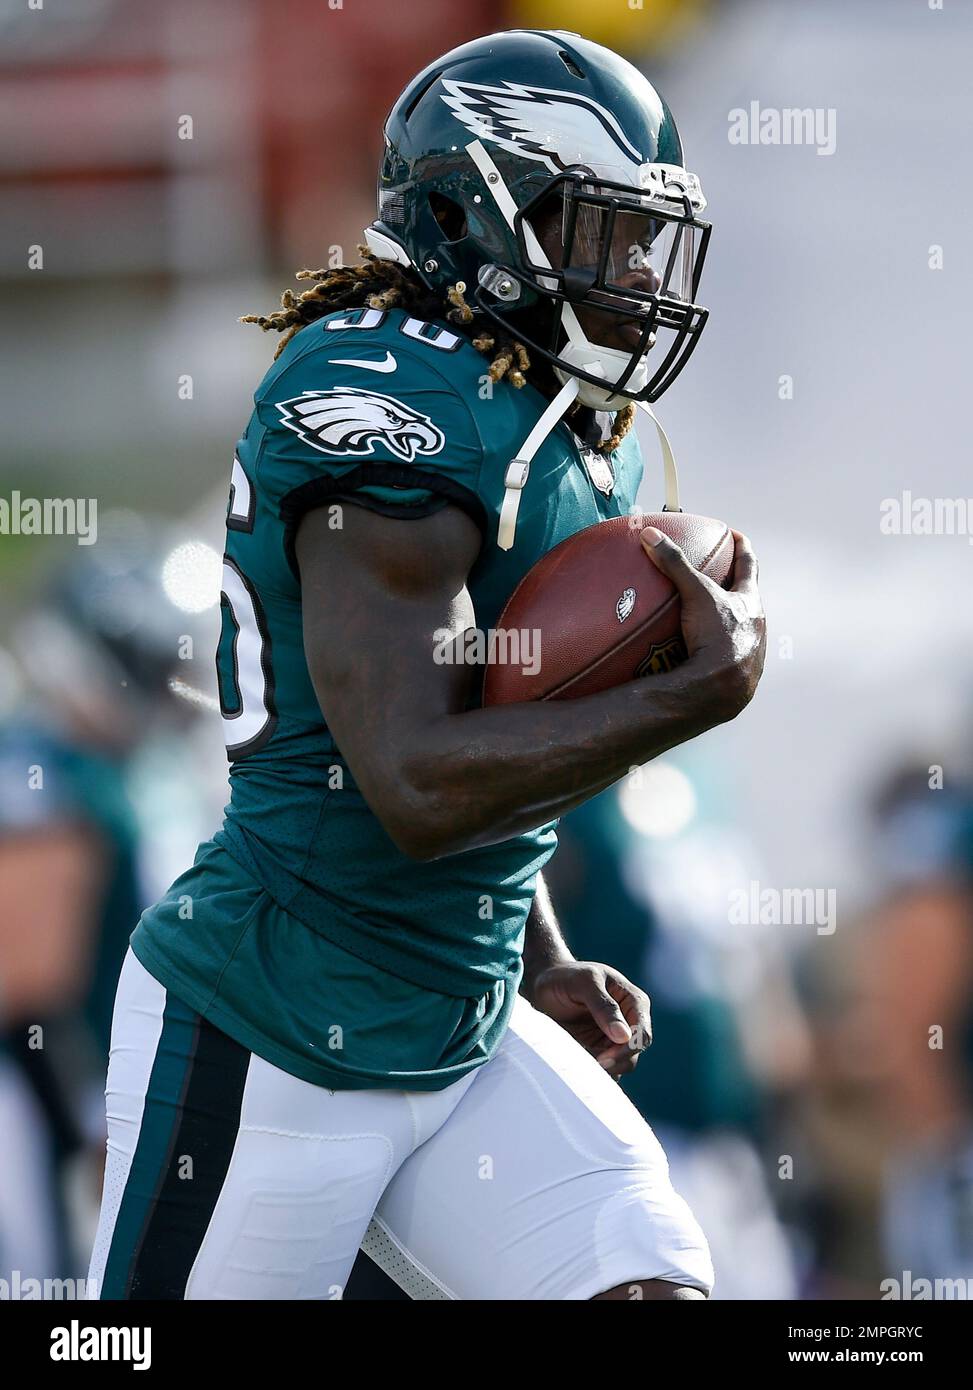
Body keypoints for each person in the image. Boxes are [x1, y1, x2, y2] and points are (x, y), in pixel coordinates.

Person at [88, 28, 765, 1301]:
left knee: (646, 1285)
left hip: (459, 1017)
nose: (629, 273)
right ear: (480, 210)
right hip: (280, 1024)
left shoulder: (541, 409)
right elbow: (413, 779)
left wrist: (542, 943)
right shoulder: (382, 393)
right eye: (597, 231)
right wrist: (682, 700)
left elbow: (492, 711)